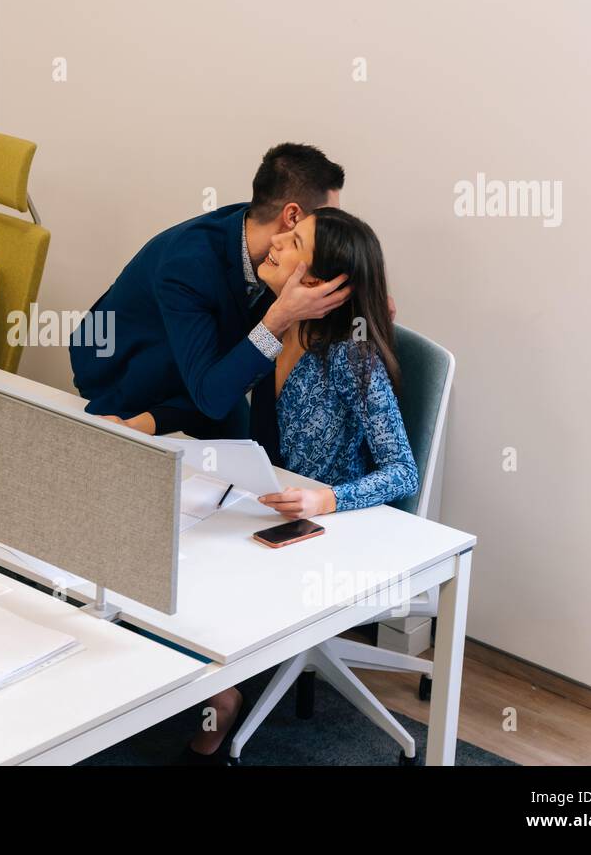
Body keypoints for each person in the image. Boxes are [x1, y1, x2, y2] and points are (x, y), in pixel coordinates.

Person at [175, 206, 419, 762]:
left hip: (326, 526)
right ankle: (216, 686)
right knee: (169, 542)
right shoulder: (271, 323)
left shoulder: (351, 357)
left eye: (295, 240)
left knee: (205, 568)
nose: (276, 242)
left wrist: (328, 497)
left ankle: (224, 697)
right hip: (266, 503)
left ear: (320, 282)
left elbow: (404, 470)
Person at [69, 143, 351, 438]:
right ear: (292, 217)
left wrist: (364, 294)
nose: (331, 232)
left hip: (206, 377)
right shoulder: (188, 264)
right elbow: (211, 397)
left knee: (249, 438)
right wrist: (278, 319)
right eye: (325, 221)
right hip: (125, 379)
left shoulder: (271, 247)